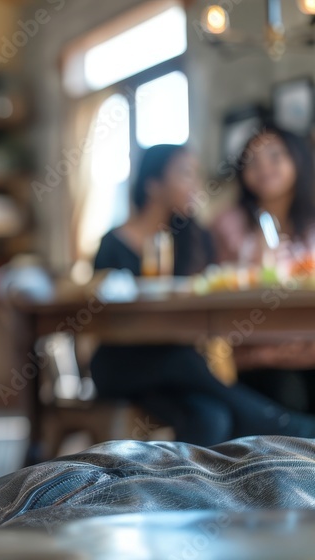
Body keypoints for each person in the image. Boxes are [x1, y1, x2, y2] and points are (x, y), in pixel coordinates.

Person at [89, 144, 315, 446]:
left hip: (178, 373)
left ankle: (184, 493)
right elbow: (105, 315)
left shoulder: (192, 241)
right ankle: (287, 427)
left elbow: (211, 287)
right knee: (183, 359)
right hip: (124, 364)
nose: (195, 185)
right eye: (185, 174)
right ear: (154, 185)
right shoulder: (113, 244)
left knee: (211, 416)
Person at [211, 125, 315, 412]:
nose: (263, 167)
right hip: (258, 357)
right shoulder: (228, 225)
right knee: (289, 409)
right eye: (252, 161)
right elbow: (222, 290)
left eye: (274, 156)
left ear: (298, 159)